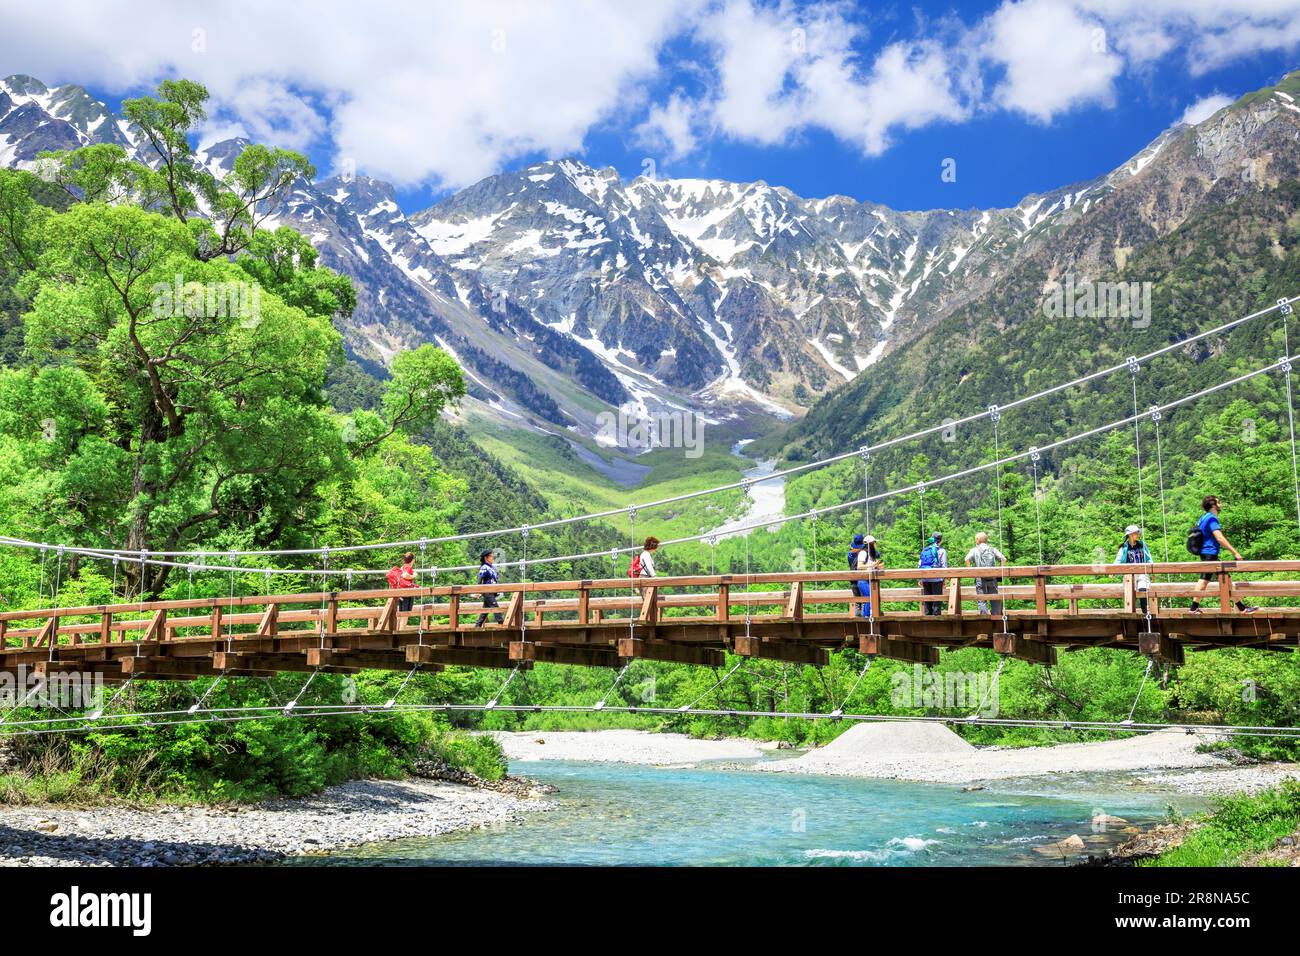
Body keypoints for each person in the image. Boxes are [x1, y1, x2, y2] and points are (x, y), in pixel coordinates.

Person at [1190, 495, 1256, 614]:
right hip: (1209, 553)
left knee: (1226, 579)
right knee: (1204, 580)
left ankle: (1242, 608)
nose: (1220, 505)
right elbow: (1219, 538)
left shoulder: (1203, 518)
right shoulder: (1211, 519)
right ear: (1213, 505)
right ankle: (1193, 609)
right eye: (1218, 503)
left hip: (1208, 553)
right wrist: (1235, 552)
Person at [964, 532, 1006, 616]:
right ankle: (996, 616)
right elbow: (1003, 559)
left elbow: (966, 559)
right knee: (994, 598)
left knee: (982, 599)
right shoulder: (992, 549)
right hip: (992, 577)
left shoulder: (974, 550)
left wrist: (971, 571)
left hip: (980, 578)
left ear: (978, 540)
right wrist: (999, 572)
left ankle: (984, 617)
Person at [1115, 524, 1153, 615]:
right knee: (1130, 592)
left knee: (1143, 587)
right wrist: (1113, 571)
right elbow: (1118, 559)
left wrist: (1152, 571)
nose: (1137, 535)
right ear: (1130, 535)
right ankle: (1131, 612)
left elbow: (1148, 558)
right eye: (1136, 533)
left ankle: (1145, 611)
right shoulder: (1124, 548)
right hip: (1128, 574)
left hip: (1142, 573)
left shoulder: (1142, 545)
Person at [849, 533, 882, 617]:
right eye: (874, 542)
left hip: (868, 580)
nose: (875, 544)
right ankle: (866, 616)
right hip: (863, 580)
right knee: (869, 597)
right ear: (871, 543)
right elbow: (860, 566)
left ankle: (867, 615)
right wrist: (872, 565)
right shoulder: (863, 553)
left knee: (870, 598)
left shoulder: (870, 554)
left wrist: (877, 566)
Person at [918, 532, 948, 616]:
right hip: (937, 578)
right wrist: (944, 580)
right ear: (940, 540)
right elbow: (944, 566)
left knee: (927, 599)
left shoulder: (925, 550)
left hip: (925, 577)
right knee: (937, 600)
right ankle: (937, 617)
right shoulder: (941, 551)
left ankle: (927, 617)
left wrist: (920, 578)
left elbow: (920, 564)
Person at [475, 549, 504, 627]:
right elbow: (479, 579)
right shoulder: (484, 567)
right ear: (486, 558)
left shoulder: (491, 567)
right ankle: (501, 624)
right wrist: (477, 591)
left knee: (485, 610)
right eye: (491, 556)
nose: (493, 558)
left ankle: (477, 625)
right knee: (495, 607)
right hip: (487, 591)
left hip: (492, 591)